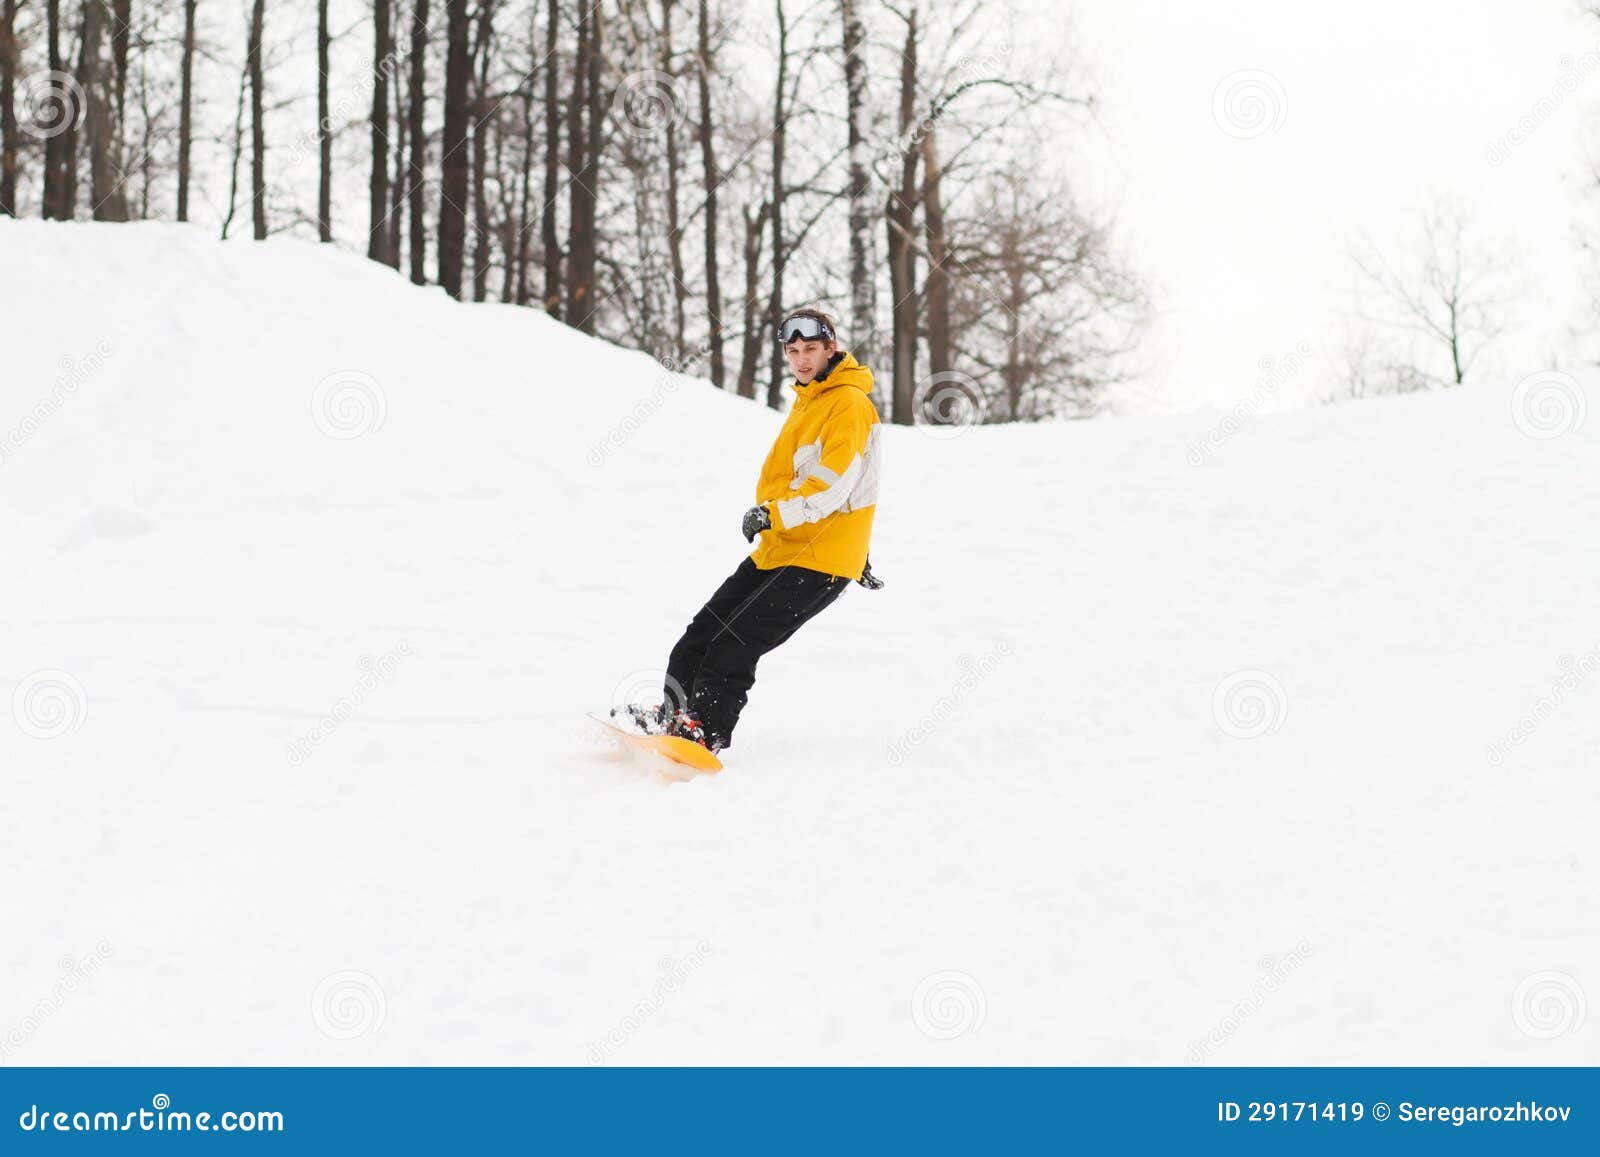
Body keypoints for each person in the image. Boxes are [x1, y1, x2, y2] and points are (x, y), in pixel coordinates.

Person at [616, 308, 885, 754]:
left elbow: (834, 485)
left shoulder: (850, 404)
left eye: (811, 350)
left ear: (831, 348)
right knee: (700, 634)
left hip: (817, 559)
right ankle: (671, 720)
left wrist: (773, 515)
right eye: (793, 351)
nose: (801, 360)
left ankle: (703, 736)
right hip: (782, 549)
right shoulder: (810, 401)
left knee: (733, 644)